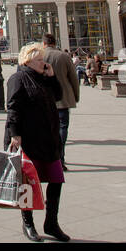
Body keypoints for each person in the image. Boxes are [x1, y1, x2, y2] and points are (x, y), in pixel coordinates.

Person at [5, 42, 70, 242]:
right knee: (27, 183)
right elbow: (13, 108)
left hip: (49, 139)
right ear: (28, 61)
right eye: (40, 59)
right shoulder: (18, 78)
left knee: (56, 180)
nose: (44, 62)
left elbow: (58, 96)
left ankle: (51, 223)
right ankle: (28, 223)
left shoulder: (44, 78)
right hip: (29, 139)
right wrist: (15, 134)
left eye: (43, 58)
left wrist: (52, 77)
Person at [40, 34, 79, 169]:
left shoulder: (39, 56)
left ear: (43, 43)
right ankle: (60, 158)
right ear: (55, 42)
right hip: (62, 99)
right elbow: (73, 78)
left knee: (46, 129)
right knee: (62, 128)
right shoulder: (63, 56)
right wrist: (75, 96)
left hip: (44, 100)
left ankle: (48, 158)